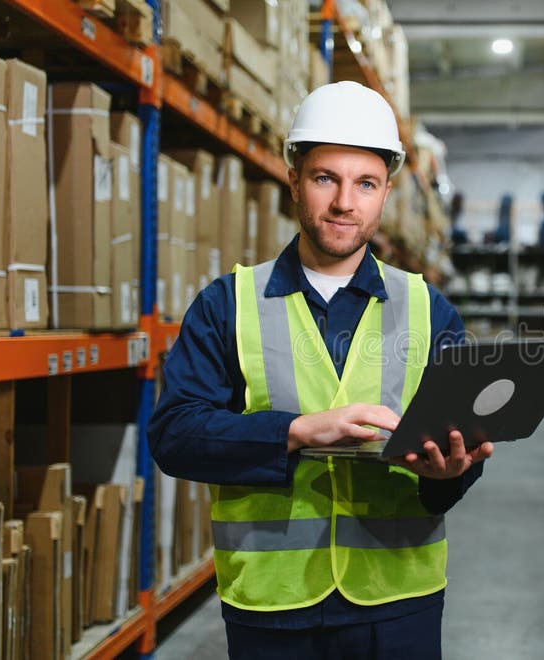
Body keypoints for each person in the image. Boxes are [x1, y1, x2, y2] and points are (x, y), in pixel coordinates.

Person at [148, 81, 494, 659]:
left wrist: (449, 474)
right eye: (325, 178)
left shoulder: (429, 309)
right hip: (271, 604)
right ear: (294, 180)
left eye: (365, 184)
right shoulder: (229, 302)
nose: (344, 203)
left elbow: (458, 447)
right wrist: (296, 431)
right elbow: (174, 434)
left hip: (398, 599)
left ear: (385, 193)